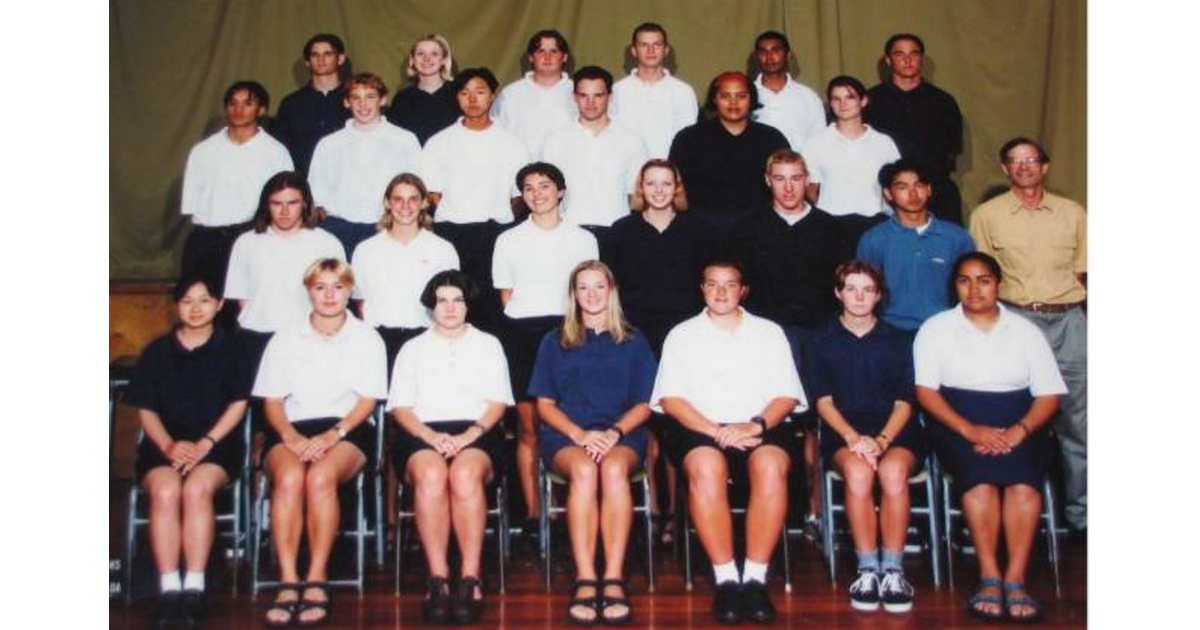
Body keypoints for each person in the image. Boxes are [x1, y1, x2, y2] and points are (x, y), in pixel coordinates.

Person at [915, 252, 1066, 623]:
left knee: (1024, 486)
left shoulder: (1026, 331)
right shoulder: (935, 329)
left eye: (983, 279)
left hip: (1020, 419)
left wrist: (1020, 430)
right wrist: (970, 430)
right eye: (964, 280)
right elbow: (927, 393)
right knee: (979, 482)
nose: (974, 288)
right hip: (957, 421)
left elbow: (1049, 394)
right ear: (955, 286)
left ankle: (1015, 578)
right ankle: (989, 576)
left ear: (998, 284)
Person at [653, 261, 807, 625]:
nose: (721, 292)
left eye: (730, 284)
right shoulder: (681, 334)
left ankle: (754, 579)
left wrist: (753, 426)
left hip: (760, 425)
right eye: (712, 284)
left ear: (743, 290)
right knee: (707, 467)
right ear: (702, 289)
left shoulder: (769, 332)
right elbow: (671, 400)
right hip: (701, 428)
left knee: (770, 465)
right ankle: (726, 580)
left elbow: (787, 395)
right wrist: (715, 430)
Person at [254, 258, 387, 627]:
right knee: (291, 479)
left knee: (319, 478)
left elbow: (367, 401)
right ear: (308, 291)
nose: (329, 295)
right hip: (292, 427)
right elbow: (272, 401)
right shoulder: (284, 338)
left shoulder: (367, 337)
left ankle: (316, 577)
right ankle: (287, 581)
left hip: (347, 428)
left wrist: (334, 435)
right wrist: (290, 437)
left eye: (338, 287)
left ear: (349, 290)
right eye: (320, 287)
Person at [727, 149, 851, 535]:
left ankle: (815, 511)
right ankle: (769, 509)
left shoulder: (830, 228)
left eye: (795, 178)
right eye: (779, 178)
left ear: (807, 180)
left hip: (817, 337)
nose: (788, 187)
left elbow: (841, 289)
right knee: (768, 420)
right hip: (765, 341)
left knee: (815, 422)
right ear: (768, 181)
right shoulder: (748, 228)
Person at [968, 137, 1087, 536]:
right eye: (1014, 161)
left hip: (1068, 320)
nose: (1023, 167)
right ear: (1005, 169)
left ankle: (1082, 516)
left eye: (1031, 160)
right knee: (1013, 417)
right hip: (1016, 321)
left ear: (1045, 167)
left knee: (1079, 422)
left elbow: (1088, 272)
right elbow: (979, 277)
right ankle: (1017, 518)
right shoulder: (988, 215)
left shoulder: (1072, 213)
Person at [528, 260, 657, 625]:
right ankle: (586, 578)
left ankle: (613, 577)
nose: (591, 294)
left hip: (622, 433)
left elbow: (645, 404)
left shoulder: (634, 340)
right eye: (583, 287)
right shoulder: (554, 341)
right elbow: (544, 405)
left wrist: (614, 433)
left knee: (614, 469)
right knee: (585, 471)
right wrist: (580, 435)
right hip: (567, 435)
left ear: (611, 291)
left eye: (598, 286)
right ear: (573, 295)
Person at [387, 270, 513, 625]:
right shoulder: (412, 349)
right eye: (442, 300)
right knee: (430, 474)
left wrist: (467, 436)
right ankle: (438, 578)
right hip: (422, 432)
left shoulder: (488, 344)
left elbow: (496, 404)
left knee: (464, 473)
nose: (450, 308)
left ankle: (470, 578)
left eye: (457, 300)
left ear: (468, 304)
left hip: (478, 432)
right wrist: (431, 438)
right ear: (431, 306)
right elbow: (401, 408)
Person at [125, 277, 249, 629]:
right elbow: (145, 409)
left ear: (219, 304)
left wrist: (206, 444)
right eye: (187, 302)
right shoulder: (157, 352)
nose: (196, 309)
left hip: (215, 447)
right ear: (176, 306)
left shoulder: (233, 350)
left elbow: (238, 405)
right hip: (165, 447)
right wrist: (168, 446)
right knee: (166, 491)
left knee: (196, 489)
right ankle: (168, 589)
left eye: (204, 300)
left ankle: (194, 587)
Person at [604, 159, 714, 543]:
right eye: (651, 183)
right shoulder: (622, 232)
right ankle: (652, 512)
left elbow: (708, 286)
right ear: (641, 188)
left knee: (676, 424)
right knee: (644, 423)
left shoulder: (696, 229)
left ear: (677, 187)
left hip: (684, 337)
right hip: (635, 336)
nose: (659, 190)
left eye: (666, 183)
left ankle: (678, 514)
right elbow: (611, 290)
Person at [804, 261, 923, 614]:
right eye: (851, 288)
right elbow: (822, 401)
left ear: (879, 296)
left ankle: (894, 570)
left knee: (892, 473)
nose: (859, 296)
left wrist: (882, 441)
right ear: (838, 293)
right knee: (858, 473)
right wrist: (854, 439)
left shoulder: (899, 340)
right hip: (845, 432)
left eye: (867, 289)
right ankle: (868, 568)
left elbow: (905, 401)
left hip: (895, 431)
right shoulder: (819, 338)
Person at [492, 162, 599, 540]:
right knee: (528, 428)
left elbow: (590, 293)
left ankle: (572, 511)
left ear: (561, 191)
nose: (537, 193)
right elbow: (506, 296)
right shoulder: (508, 240)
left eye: (545, 185)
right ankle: (536, 517)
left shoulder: (583, 239)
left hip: (568, 332)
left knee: (570, 424)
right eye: (529, 188)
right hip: (523, 334)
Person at [420, 67, 529, 332]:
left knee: (492, 308)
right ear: (457, 97)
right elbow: (432, 192)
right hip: (453, 234)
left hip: (495, 234)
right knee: (454, 303)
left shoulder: (511, 143)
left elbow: (519, 196)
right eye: (465, 93)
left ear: (492, 96)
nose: (472, 99)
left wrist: (498, 218)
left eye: (480, 92)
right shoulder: (439, 142)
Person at [179, 80, 293, 297]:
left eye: (247, 104)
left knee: (246, 303)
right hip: (207, 240)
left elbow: (285, 201)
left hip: (253, 235)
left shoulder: (275, 152)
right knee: (205, 301)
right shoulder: (203, 151)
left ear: (261, 110)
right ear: (226, 108)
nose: (239, 110)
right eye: (233, 104)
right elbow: (192, 203)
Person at [223, 171, 345, 372]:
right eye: (277, 203)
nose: (285, 211)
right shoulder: (246, 242)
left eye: (292, 203)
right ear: (266, 205)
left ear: (305, 203)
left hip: (309, 338)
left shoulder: (327, 243)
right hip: (258, 337)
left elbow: (339, 295)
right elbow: (241, 296)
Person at [351, 173, 460, 371]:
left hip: (427, 340)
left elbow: (451, 303)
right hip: (379, 342)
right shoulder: (366, 250)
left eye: (413, 199)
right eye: (398, 199)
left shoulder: (443, 249)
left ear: (424, 203)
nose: (405, 206)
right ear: (387, 202)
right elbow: (360, 302)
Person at [669, 72, 790, 246]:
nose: (733, 103)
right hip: (703, 233)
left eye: (741, 96)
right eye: (725, 96)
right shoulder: (689, 139)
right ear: (714, 100)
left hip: (760, 233)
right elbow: (676, 189)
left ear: (751, 99)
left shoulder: (771, 138)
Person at [308, 72, 422, 256]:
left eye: (370, 97)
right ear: (346, 102)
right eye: (356, 98)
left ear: (383, 99)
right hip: (340, 229)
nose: (363, 104)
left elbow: (417, 186)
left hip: (387, 227)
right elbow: (317, 193)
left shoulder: (405, 140)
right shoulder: (329, 144)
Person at [858, 159, 975, 332]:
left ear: (928, 190)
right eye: (902, 187)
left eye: (919, 186)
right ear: (888, 193)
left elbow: (970, 289)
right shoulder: (874, 239)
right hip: (891, 331)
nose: (912, 194)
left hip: (945, 330)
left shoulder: (957, 237)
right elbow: (864, 291)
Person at [541, 65, 647, 248]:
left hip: (616, 232)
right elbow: (546, 190)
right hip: (569, 231)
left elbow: (637, 194)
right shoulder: (556, 140)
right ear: (574, 97)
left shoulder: (631, 140)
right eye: (584, 96)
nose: (590, 103)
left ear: (610, 96)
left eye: (598, 95)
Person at [866, 33, 965, 224]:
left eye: (914, 54)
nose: (907, 60)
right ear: (888, 60)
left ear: (921, 59)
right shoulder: (871, 101)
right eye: (899, 54)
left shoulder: (943, 102)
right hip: (884, 198)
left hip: (935, 194)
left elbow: (952, 151)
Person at [803, 75, 901, 251]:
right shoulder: (816, 143)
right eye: (836, 99)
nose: (843, 104)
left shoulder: (883, 142)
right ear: (830, 104)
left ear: (863, 101)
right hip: (832, 226)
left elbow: (896, 184)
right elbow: (811, 189)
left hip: (876, 225)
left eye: (850, 97)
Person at [610, 22, 699, 159]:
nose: (651, 51)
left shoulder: (683, 92)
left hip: (669, 173)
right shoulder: (617, 90)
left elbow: (689, 139)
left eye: (657, 45)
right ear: (634, 51)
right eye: (644, 45)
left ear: (666, 50)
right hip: (627, 173)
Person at [271, 33, 351, 176]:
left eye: (327, 54)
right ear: (307, 62)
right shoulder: (291, 103)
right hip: (303, 183)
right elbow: (279, 149)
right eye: (315, 55)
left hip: (347, 179)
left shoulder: (356, 101)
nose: (321, 60)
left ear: (340, 58)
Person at [491, 29, 577, 156]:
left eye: (554, 51)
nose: (547, 57)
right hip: (521, 170)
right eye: (540, 51)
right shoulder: (511, 94)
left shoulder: (578, 92)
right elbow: (496, 133)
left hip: (567, 170)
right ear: (531, 57)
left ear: (564, 57)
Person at [750, 31, 826, 154]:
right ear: (756, 56)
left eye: (776, 51)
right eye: (763, 52)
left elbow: (819, 140)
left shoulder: (807, 96)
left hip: (798, 170)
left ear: (788, 55)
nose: (769, 57)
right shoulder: (746, 95)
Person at [386, 34, 460, 145]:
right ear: (412, 60)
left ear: (444, 60)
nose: (427, 59)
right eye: (420, 54)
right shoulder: (402, 99)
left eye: (434, 54)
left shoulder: (459, 94)